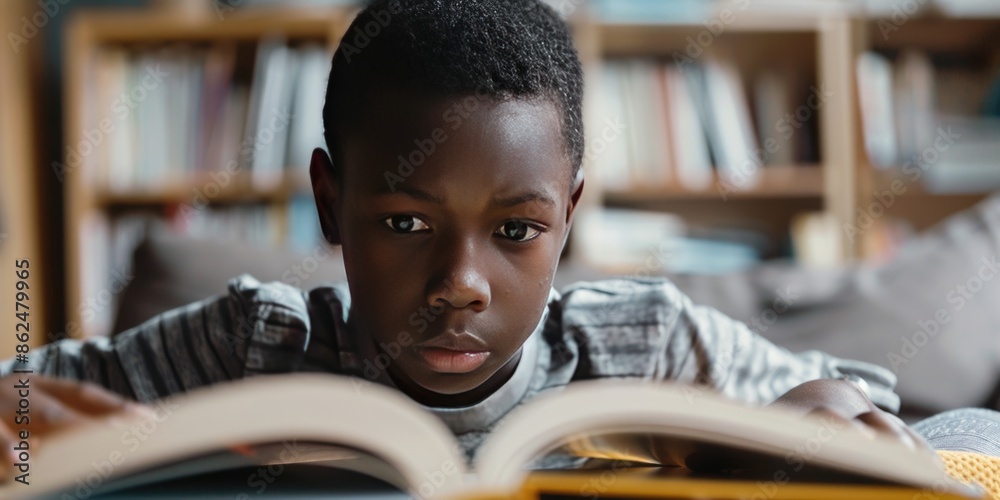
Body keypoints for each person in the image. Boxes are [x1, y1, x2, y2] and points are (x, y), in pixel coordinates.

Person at [0, 0, 995, 480]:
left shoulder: (640, 338)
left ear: (569, 212)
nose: (461, 283)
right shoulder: (250, 342)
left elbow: (842, 396)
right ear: (329, 202)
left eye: (516, 229)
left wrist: (819, 405)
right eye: (402, 223)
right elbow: (28, 394)